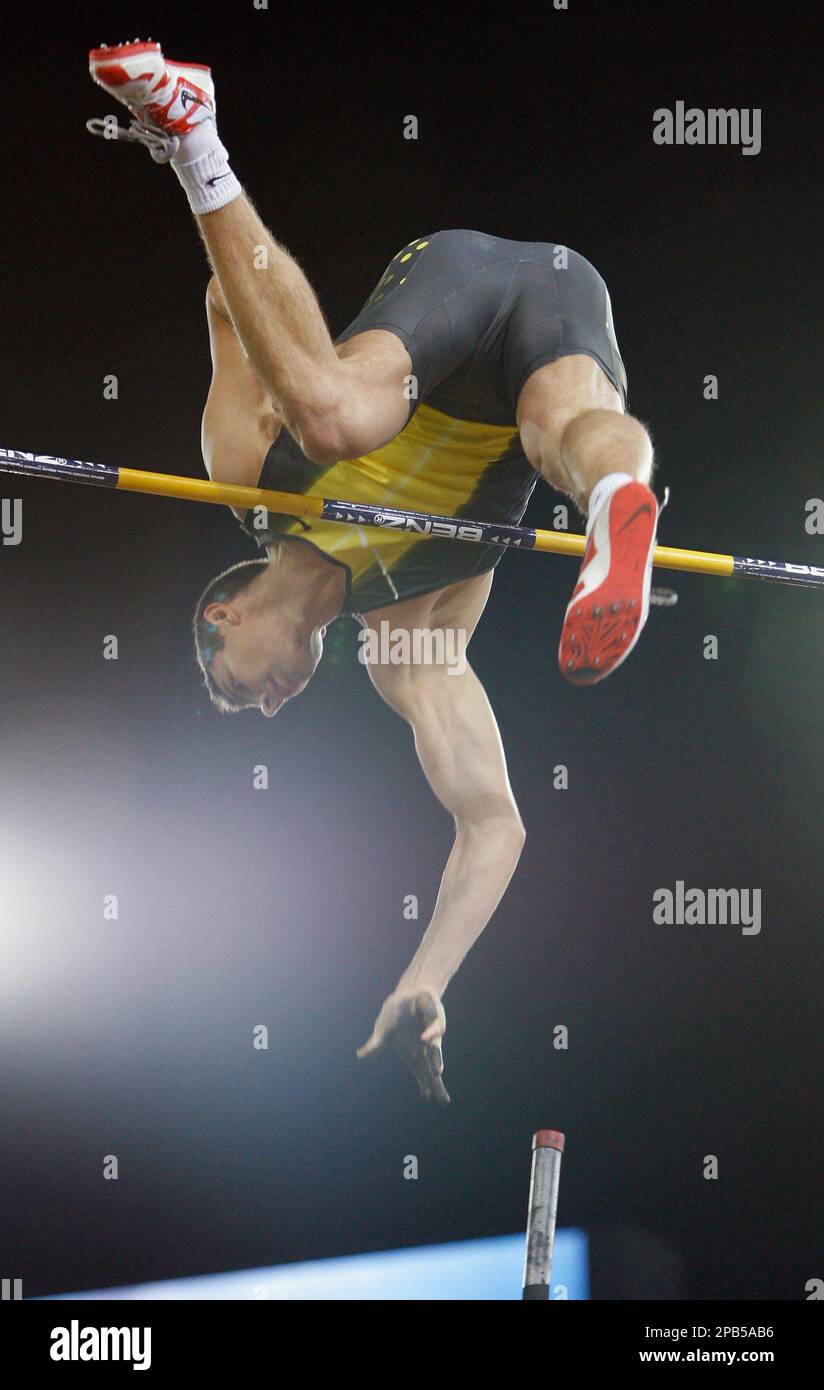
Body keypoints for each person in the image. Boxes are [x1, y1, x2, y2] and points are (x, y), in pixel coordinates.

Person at [89, 41, 658, 1103]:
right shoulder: (406, 645)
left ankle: (193, 135)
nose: (263, 708)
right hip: (552, 323)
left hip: (449, 294)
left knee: (335, 416)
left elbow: (229, 303)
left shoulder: (242, 478)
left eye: (231, 684)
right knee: (560, 433)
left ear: (222, 610)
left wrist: (224, 233)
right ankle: (617, 505)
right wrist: (422, 982)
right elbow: (492, 820)